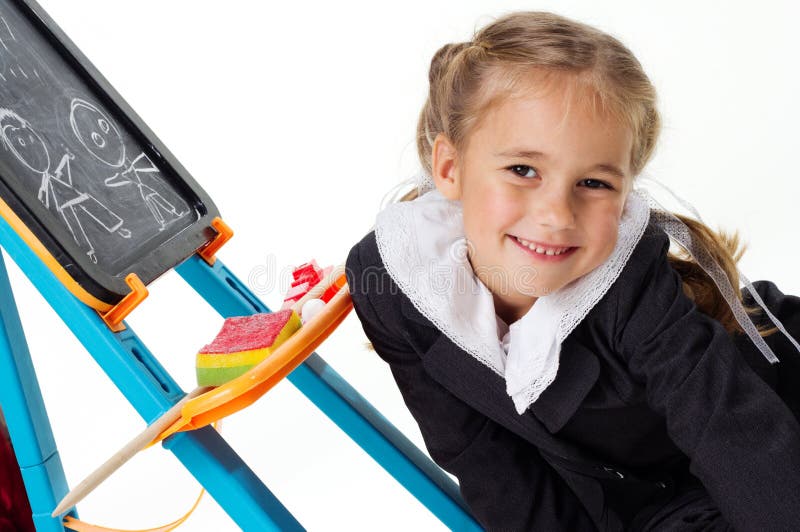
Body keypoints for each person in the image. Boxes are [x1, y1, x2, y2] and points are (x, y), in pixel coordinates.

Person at [345, 10, 800, 531]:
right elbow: (486, 462)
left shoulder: (631, 288)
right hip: (664, 497)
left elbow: (733, 432)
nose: (557, 215)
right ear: (450, 167)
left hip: (774, 421)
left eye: (595, 183)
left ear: (628, 191)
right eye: (523, 170)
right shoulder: (391, 286)